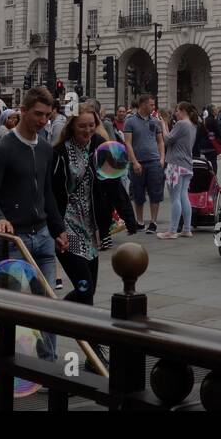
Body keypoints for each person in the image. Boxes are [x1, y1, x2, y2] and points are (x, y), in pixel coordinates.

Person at [0, 86, 65, 360]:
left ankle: (48, 363)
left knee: (47, 306)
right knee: (6, 308)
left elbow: (47, 193)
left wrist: (58, 228)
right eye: (38, 114)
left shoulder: (45, 148)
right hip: (13, 240)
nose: (43, 121)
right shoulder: (3, 149)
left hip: (42, 236)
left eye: (47, 115)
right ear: (23, 111)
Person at [52, 109, 139, 304]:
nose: (87, 130)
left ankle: (63, 316)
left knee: (88, 291)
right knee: (85, 289)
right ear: (72, 126)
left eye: (91, 125)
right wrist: (55, 227)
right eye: (82, 126)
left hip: (90, 227)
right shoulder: (60, 152)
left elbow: (114, 183)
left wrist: (128, 217)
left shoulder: (99, 145)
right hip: (67, 226)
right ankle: (59, 315)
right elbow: (50, 191)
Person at [124, 93, 166, 234]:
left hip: (154, 162)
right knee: (138, 194)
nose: (154, 107)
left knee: (155, 193)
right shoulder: (130, 121)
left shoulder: (155, 121)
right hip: (138, 162)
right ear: (143, 104)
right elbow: (128, 143)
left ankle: (153, 222)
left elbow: (160, 141)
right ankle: (140, 221)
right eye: (151, 104)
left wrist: (162, 159)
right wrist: (134, 162)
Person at [160, 102, 200, 240]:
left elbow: (167, 140)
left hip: (175, 163)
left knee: (175, 197)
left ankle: (172, 231)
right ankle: (187, 229)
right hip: (187, 164)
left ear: (183, 111)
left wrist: (163, 125)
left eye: (177, 111)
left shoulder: (181, 124)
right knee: (184, 196)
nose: (175, 113)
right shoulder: (193, 125)